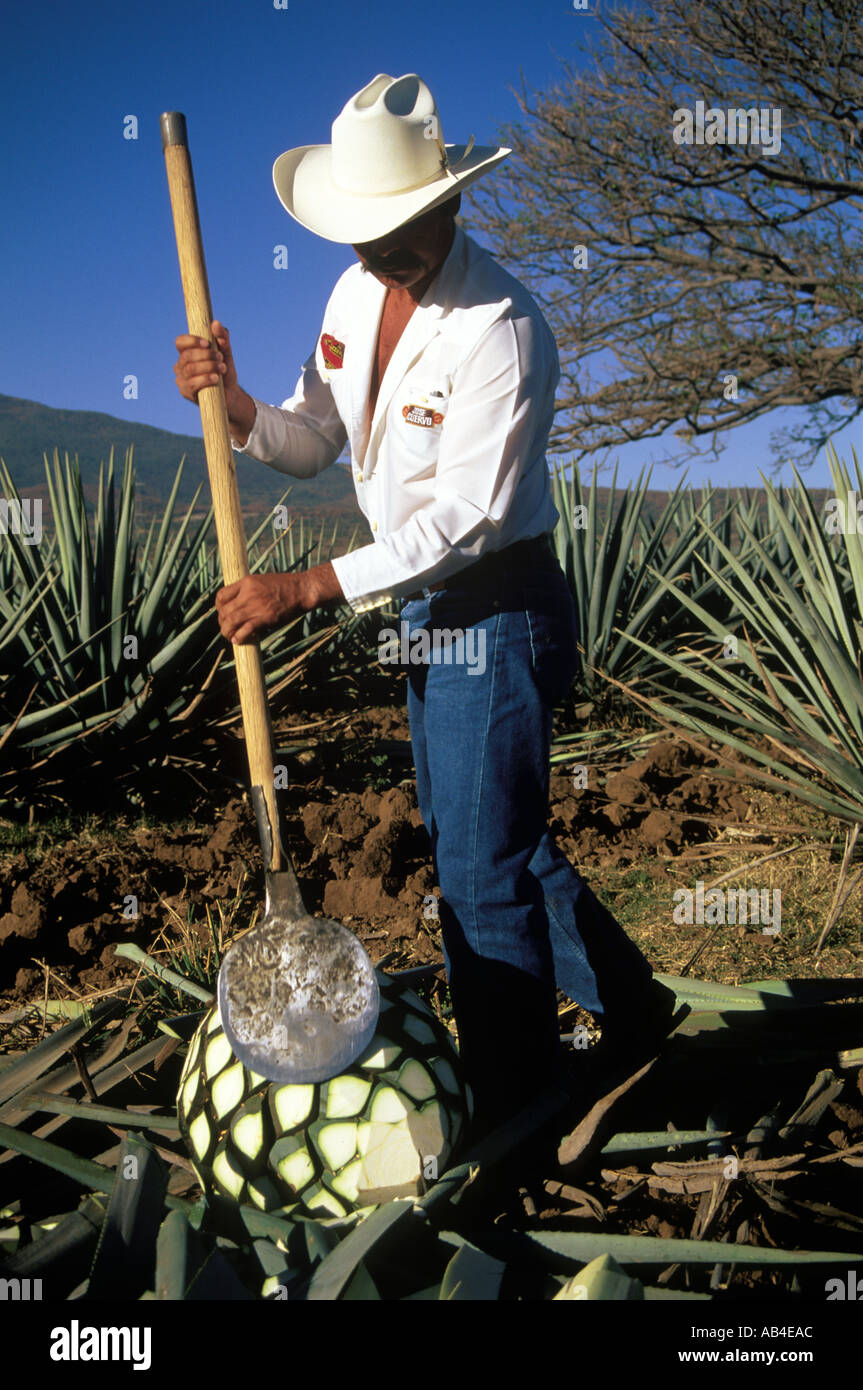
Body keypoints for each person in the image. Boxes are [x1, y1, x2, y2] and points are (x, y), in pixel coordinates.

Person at [174, 73, 678, 1137]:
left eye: (397, 231)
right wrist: (239, 406)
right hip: (422, 609)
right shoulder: (354, 296)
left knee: (478, 870)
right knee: (489, 836)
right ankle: (635, 1010)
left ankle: (514, 1106)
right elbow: (313, 444)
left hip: (496, 601)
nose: (375, 253)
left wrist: (306, 588)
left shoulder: (501, 329)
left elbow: (464, 519)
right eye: (361, 234)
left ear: (450, 203)